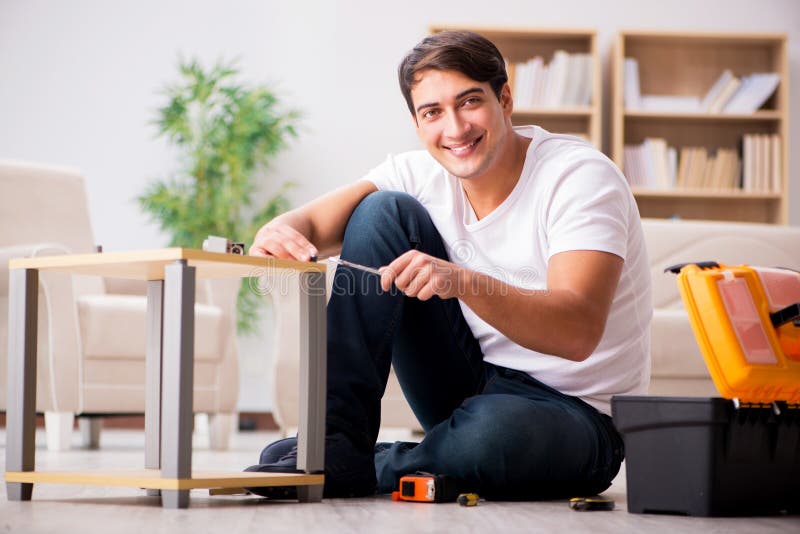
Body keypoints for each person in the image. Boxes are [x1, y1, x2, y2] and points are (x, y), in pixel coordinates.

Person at [246, 30, 651, 500]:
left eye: (470, 102)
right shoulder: (417, 172)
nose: (455, 129)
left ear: (505, 99)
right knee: (379, 213)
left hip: (576, 417)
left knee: (491, 436)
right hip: (472, 383)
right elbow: (313, 225)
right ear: (417, 124)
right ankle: (334, 440)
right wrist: (277, 230)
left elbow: (576, 332)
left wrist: (461, 281)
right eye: (432, 112)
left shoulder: (579, 176)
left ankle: (362, 465)